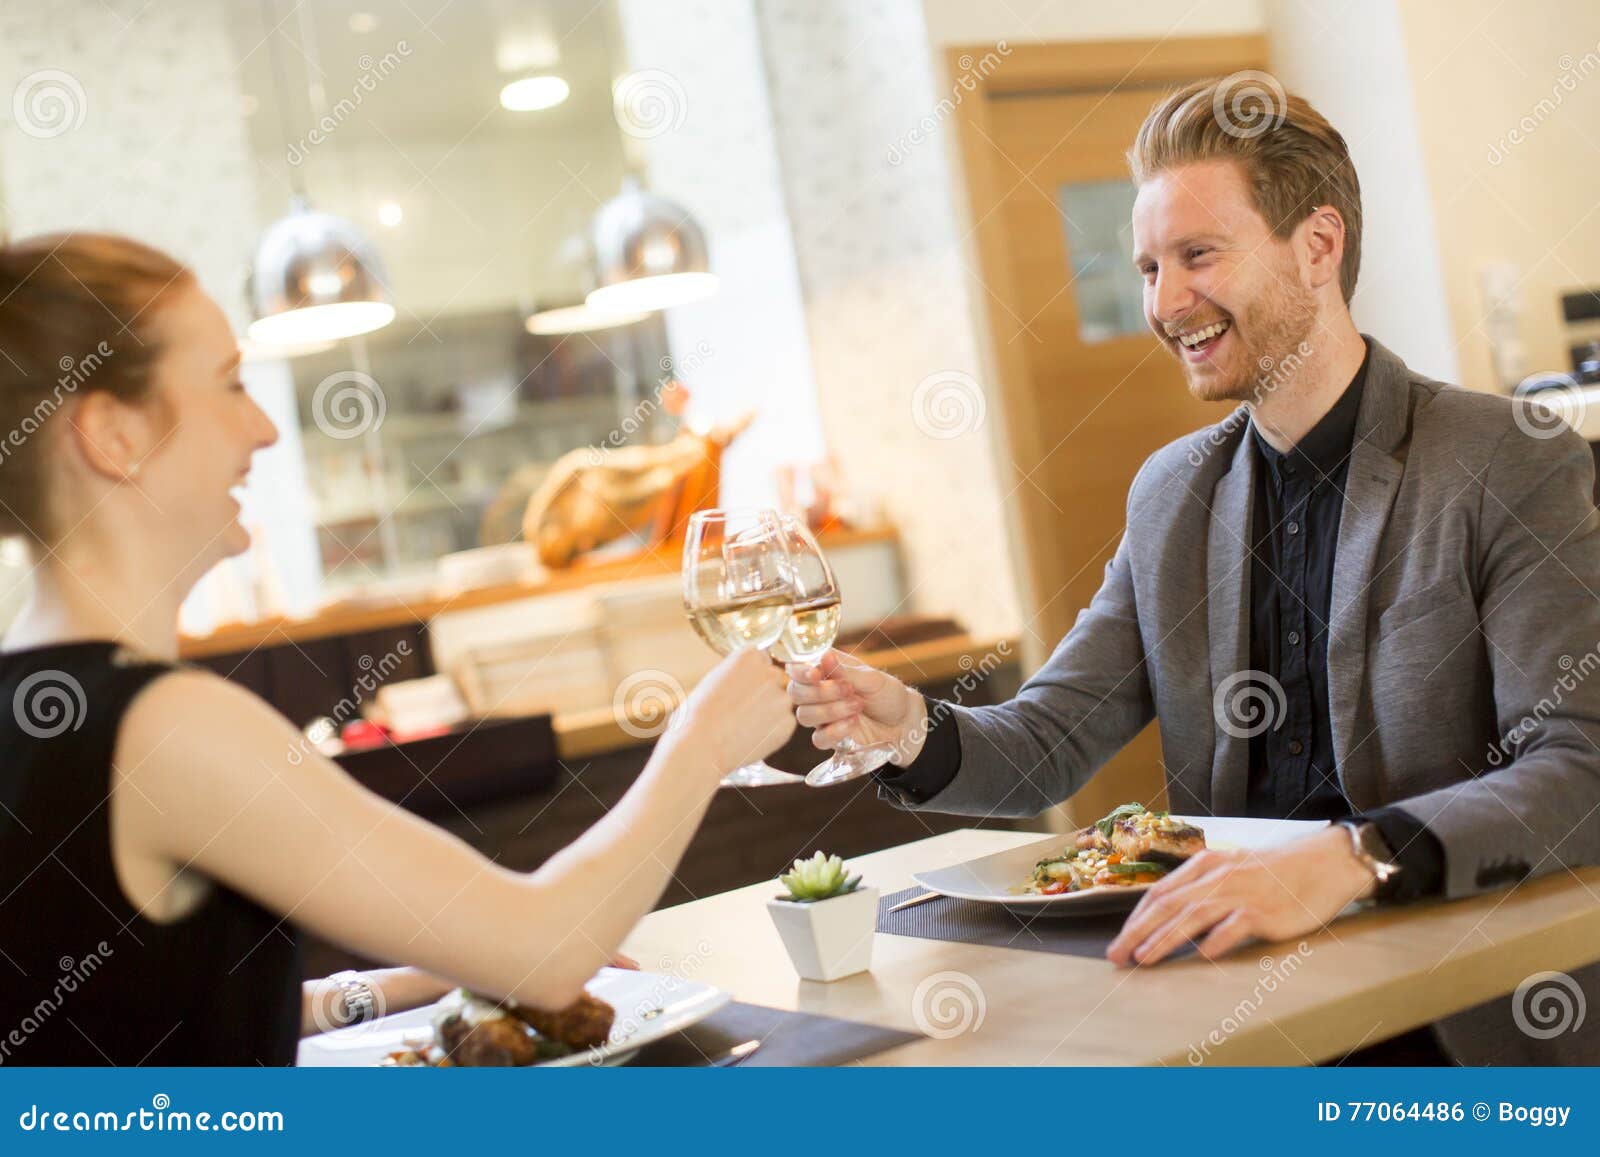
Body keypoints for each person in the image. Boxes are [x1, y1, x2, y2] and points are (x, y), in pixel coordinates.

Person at [789, 77, 1600, 1066]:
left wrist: (1351, 856)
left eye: (1198, 255)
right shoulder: (1171, 493)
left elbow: (1579, 766)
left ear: (1318, 246)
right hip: (1228, 1010)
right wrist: (907, 728)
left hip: (1449, 1024)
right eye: (1148, 267)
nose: (1164, 303)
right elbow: (1048, 739)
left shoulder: (1505, 458)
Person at [0, 232, 795, 1065]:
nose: (263, 429)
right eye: (230, 384)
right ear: (113, 434)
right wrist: (704, 741)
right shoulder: (165, 727)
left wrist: (410, 982)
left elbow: (131, 1009)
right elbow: (548, 949)